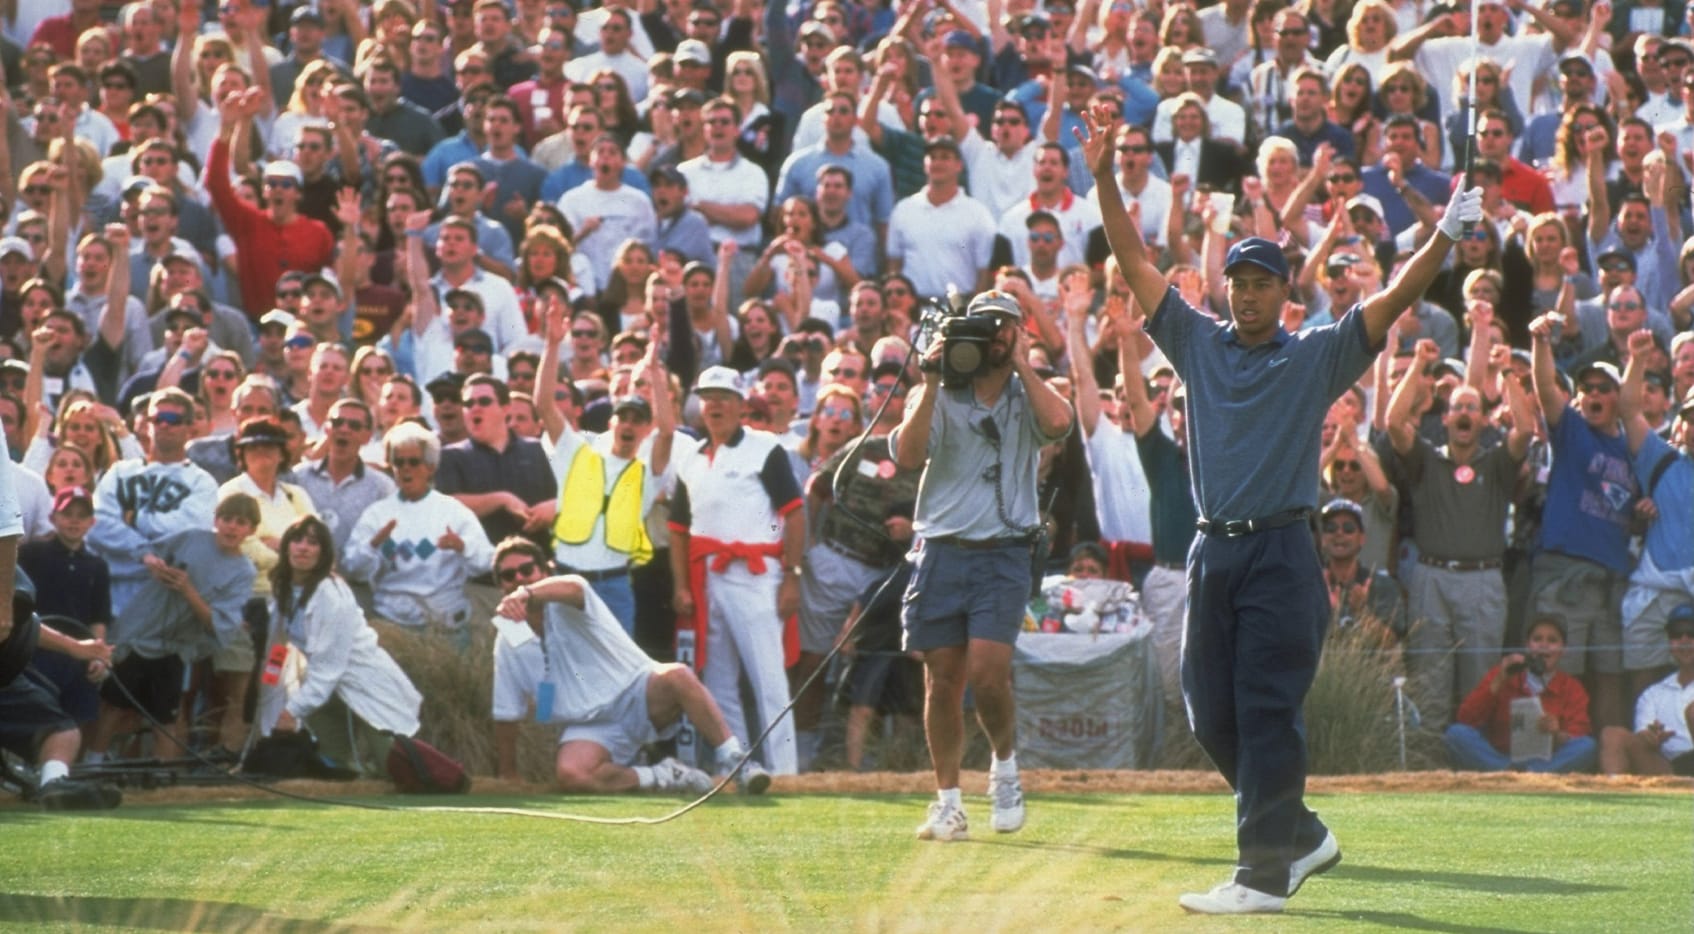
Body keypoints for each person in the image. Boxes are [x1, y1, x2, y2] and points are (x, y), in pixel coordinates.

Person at [1082, 100, 1483, 912]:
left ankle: (1263, 874)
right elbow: (1131, 261)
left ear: (1283, 292)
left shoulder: (1314, 356)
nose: (1247, 297)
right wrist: (1101, 181)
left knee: (1266, 708)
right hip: (1211, 551)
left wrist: (1443, 236)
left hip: (1279, 551)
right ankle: (1299, 832)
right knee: (1207, 710)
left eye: (1262, 284)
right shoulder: (1197, 342)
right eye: (1238, 283)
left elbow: (1396, 297)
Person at [891, 288, 1074, 842]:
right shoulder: (942, 391)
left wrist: (1022, 364)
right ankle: (948, 801)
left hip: (1003, 551)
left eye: (1005, 325)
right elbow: (907, 455)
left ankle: (1005, 767)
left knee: (989, 677)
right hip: (942, 549)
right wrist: (929, 381)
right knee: (941, 680)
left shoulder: (1029, 392)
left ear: (1020, 332)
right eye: (985, 324)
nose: (994, 333)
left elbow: (1061, 423)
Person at [488, 538, 769, 794]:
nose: (518, 579)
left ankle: (736, 761)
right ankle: (665, 775)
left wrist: (526, 594)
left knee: (677, 675)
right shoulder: (509, 636)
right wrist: (508, 774)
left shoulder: (566, 598)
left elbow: (574, 586)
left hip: (638, 694)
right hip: (591, 724)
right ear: (500, 585)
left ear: (544, 572)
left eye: (527, 570)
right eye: (508, 576)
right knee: (571, 774)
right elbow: (506, 711)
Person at [668, 365, 805, 776]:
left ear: (741, 404)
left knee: (768, 677)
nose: (715, 405)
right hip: (706, 575)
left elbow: (795, 515)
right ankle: (741, 768)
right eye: (708, 397)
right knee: (719, 679)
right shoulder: (690, 457)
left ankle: (785, 772)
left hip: (756, 572)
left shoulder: (765, 448)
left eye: (724, 397)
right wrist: (680, 586)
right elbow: (677, 528)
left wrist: (793, 576)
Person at [84, 493, 259, 762]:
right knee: (113, 707)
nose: (232, 527)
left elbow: (219, 626)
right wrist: (152, 563)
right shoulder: (191, 538)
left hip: (176, 647)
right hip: (138, 635)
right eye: (226, 519)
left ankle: (163, 777)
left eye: (241, 522)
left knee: (166, 718)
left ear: (252, 530)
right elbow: (145, 549)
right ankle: (92, 766)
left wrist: (187, 590)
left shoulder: (243, 571)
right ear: (216, 520)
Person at [258, 515, 424, 778]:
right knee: (338, 769)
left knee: (396, 774)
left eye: (312, 543)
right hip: (327, 692)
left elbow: (328, 669)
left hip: (367, 684)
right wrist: (268, 686)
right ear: (287, 546)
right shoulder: (284, 589)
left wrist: (292, 710)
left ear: (323, 553)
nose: (303, 547)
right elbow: (277, 646)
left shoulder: (331, 594)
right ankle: (347, 770)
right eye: (297, 540)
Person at [1444, 617, 1597, 774]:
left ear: (1562, 650)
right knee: (1456, 734)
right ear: (1527, 646)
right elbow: (1466, 718)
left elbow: (1578, 733)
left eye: (1552, 640)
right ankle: (1506, 772)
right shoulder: (1504, 674)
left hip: (1546, 760)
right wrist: (1499, 681)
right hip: (1500, 756)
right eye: (1537, 639)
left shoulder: (1572, 687)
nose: (1544, 645)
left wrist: (1556, 733)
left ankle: (1529, 774)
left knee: (1587, 746)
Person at [1599, 604, 1694, 776]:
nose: (1684, 640)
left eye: (1692, 633)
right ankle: (1615, 796)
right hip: (1669, 768)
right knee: (1612, 734)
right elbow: (1642, 733)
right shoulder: (1653, 694)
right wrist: (1651, 738)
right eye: (1676, 634)